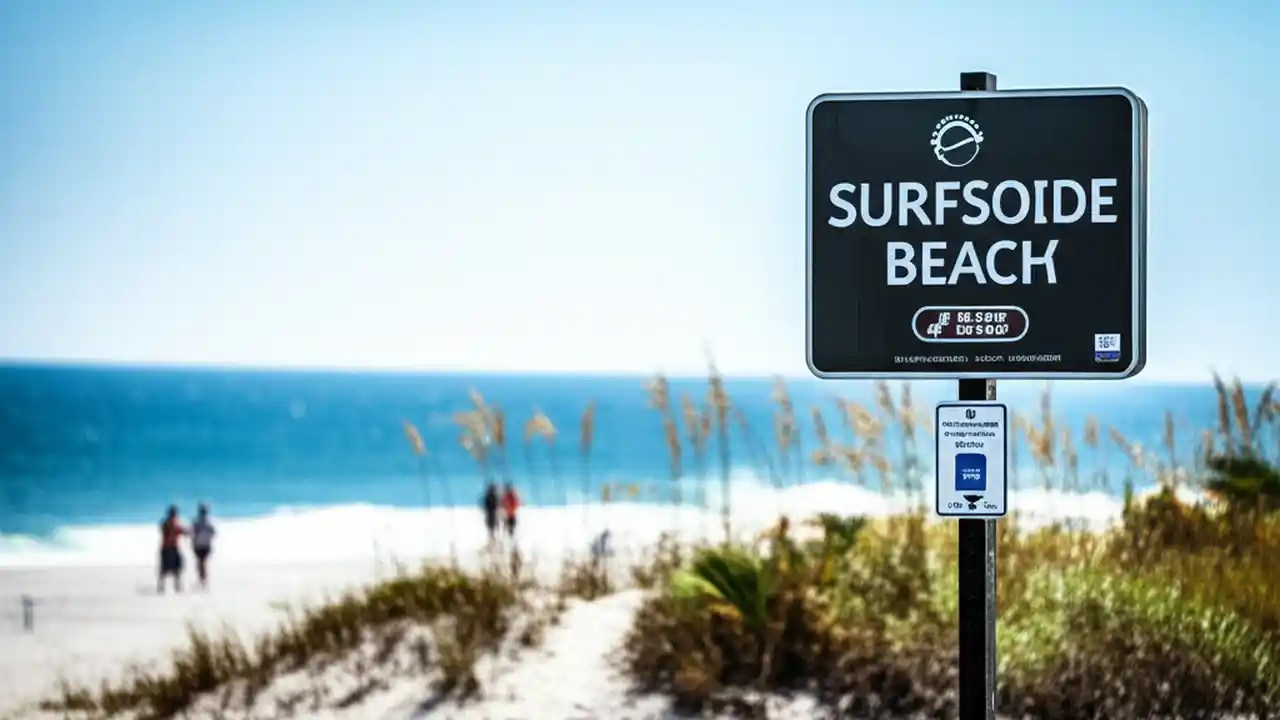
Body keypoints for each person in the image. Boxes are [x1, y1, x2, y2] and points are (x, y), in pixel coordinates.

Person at [158, 505, 187, 594]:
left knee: (168, 568)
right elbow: (177, 530)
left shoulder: (166, 522)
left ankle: (165, 587)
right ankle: (173, 586)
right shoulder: (170, 522)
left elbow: (179, 531)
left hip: (167, 548)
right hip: (170, 548)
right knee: (174, 568)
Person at [191, 503, 216, 590]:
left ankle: (202, 581)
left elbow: (192, 533)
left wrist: (193, 542)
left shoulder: (196, 521)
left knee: (200, 563)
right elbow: (214, 533)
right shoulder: (210, 521)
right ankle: (203, 581)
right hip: (206, 545)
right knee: (203, 563)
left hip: (198, 545)